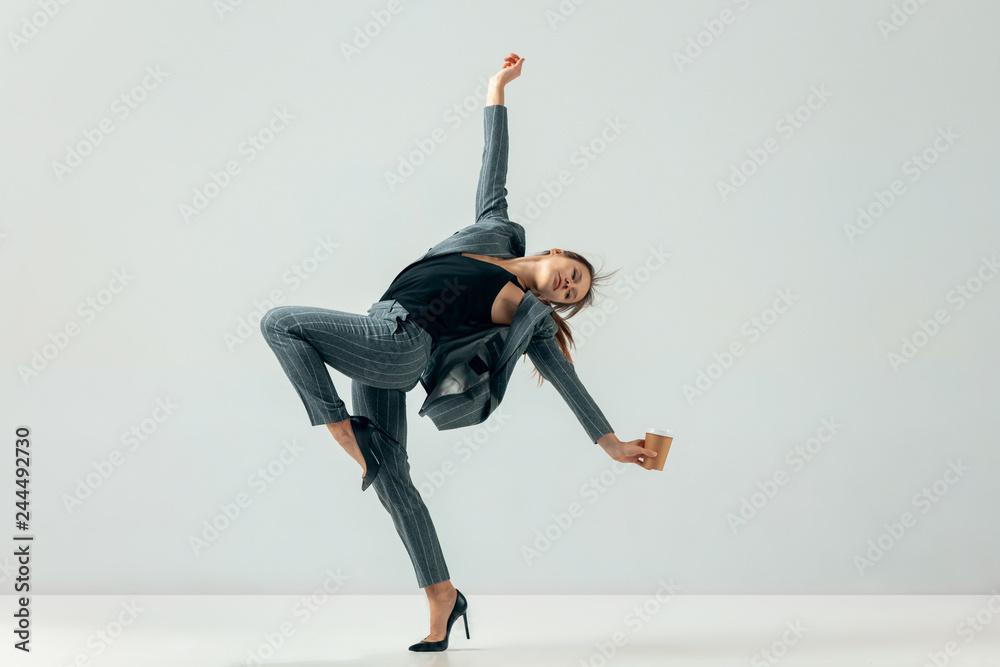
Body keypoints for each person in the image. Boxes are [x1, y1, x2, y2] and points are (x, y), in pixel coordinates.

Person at [260, 52, 657, 653]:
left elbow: (570, 386)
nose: (566, 286)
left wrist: (613, 444)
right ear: (552, 253)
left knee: (280, 321)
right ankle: (443, 596)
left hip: (400, 347)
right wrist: (497, 88)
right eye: (571, 273)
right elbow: (492, 166)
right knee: (393, 481)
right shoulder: (494, 230)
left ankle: (342, 430)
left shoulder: (531, 320)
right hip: (380, 327)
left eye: (572, 293)